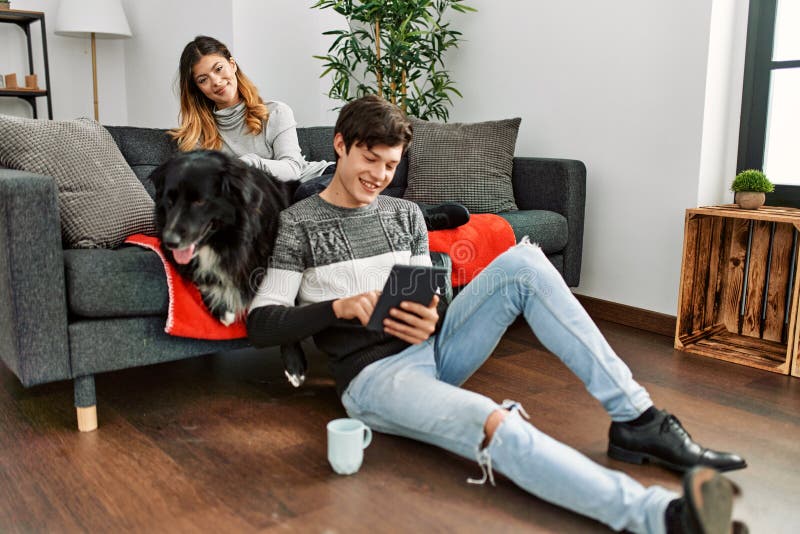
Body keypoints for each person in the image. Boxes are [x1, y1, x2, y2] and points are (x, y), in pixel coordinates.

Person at [247, 95, 746, 533]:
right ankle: (660, 517)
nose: (379, 176)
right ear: (340, 145)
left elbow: (424, 298)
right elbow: (262, 322)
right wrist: (337, 307)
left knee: (524, 263)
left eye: (390, 165)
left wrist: (432, 314)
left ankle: (638, 418)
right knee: (493, 421)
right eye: (369, 159)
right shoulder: (297, 225)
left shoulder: (405, 214)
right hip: (374, 377)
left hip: (432, 348)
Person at [170, 35, 469, 231]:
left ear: (232, 65)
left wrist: (249, 164)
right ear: (197, 88)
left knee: (306, 196)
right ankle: (401, 215)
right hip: (278, 203)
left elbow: (292, 168)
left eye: (219, 69)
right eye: (203, 79)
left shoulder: (275, 112)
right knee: (290, 211)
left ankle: (419, 215)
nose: (216, 81)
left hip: (320, 180)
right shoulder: (197, 137)